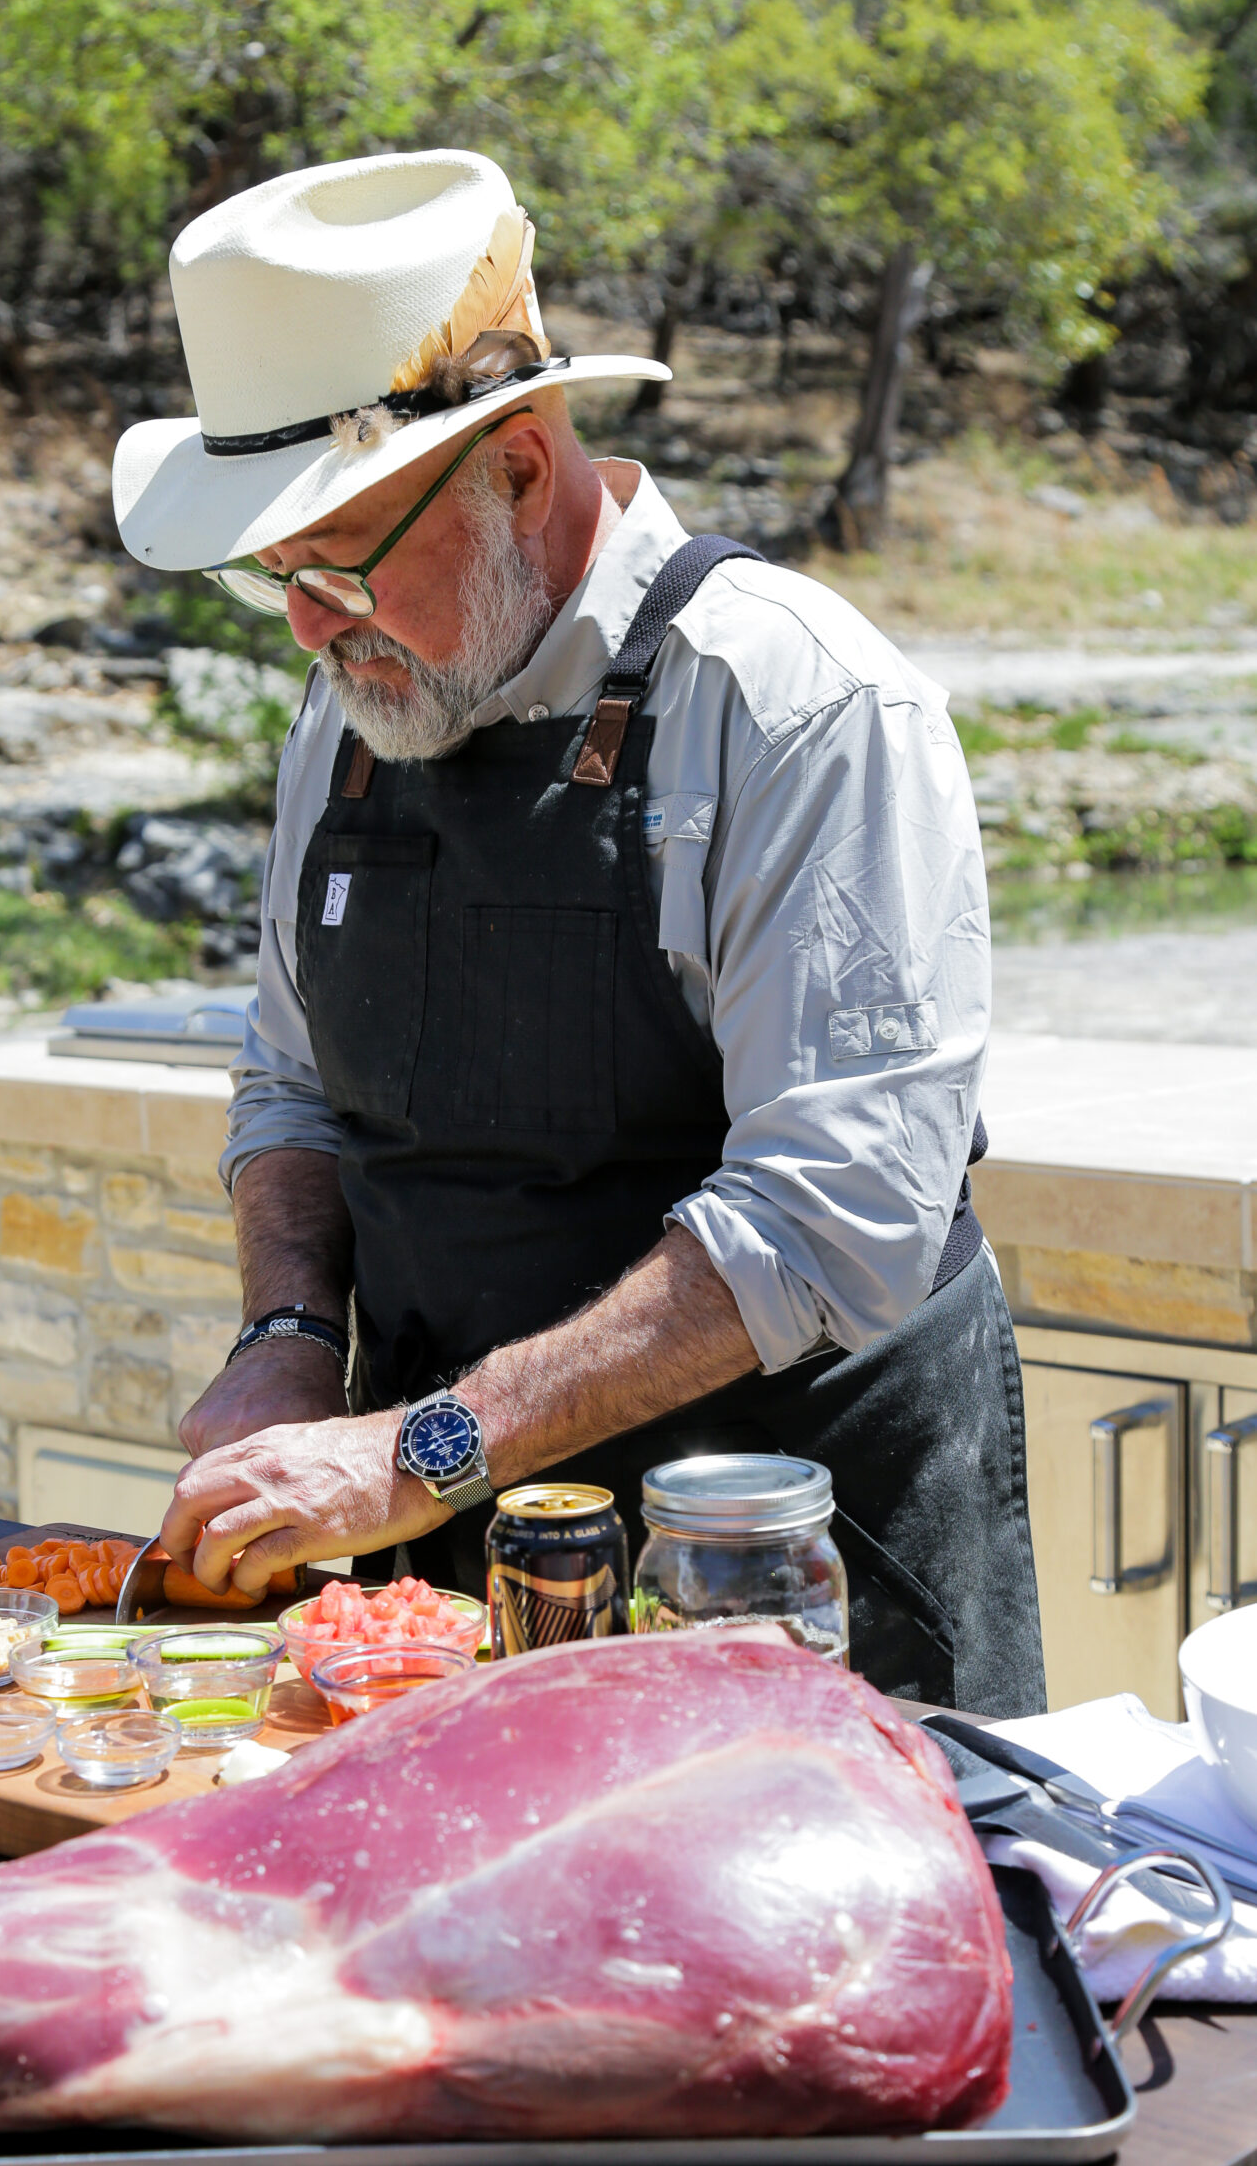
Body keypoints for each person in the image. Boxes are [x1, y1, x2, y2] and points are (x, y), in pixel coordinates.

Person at [114, 146, 1044, 1714]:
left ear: (522, 472)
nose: (305, 624)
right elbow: (290, 1083)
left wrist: (423, 1449)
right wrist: (288, 1331)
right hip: (452, 1550)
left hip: (786, 1569)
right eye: (271, 573)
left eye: (337, 559)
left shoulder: (797, 699)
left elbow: (836, 1216)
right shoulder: (353, 694)